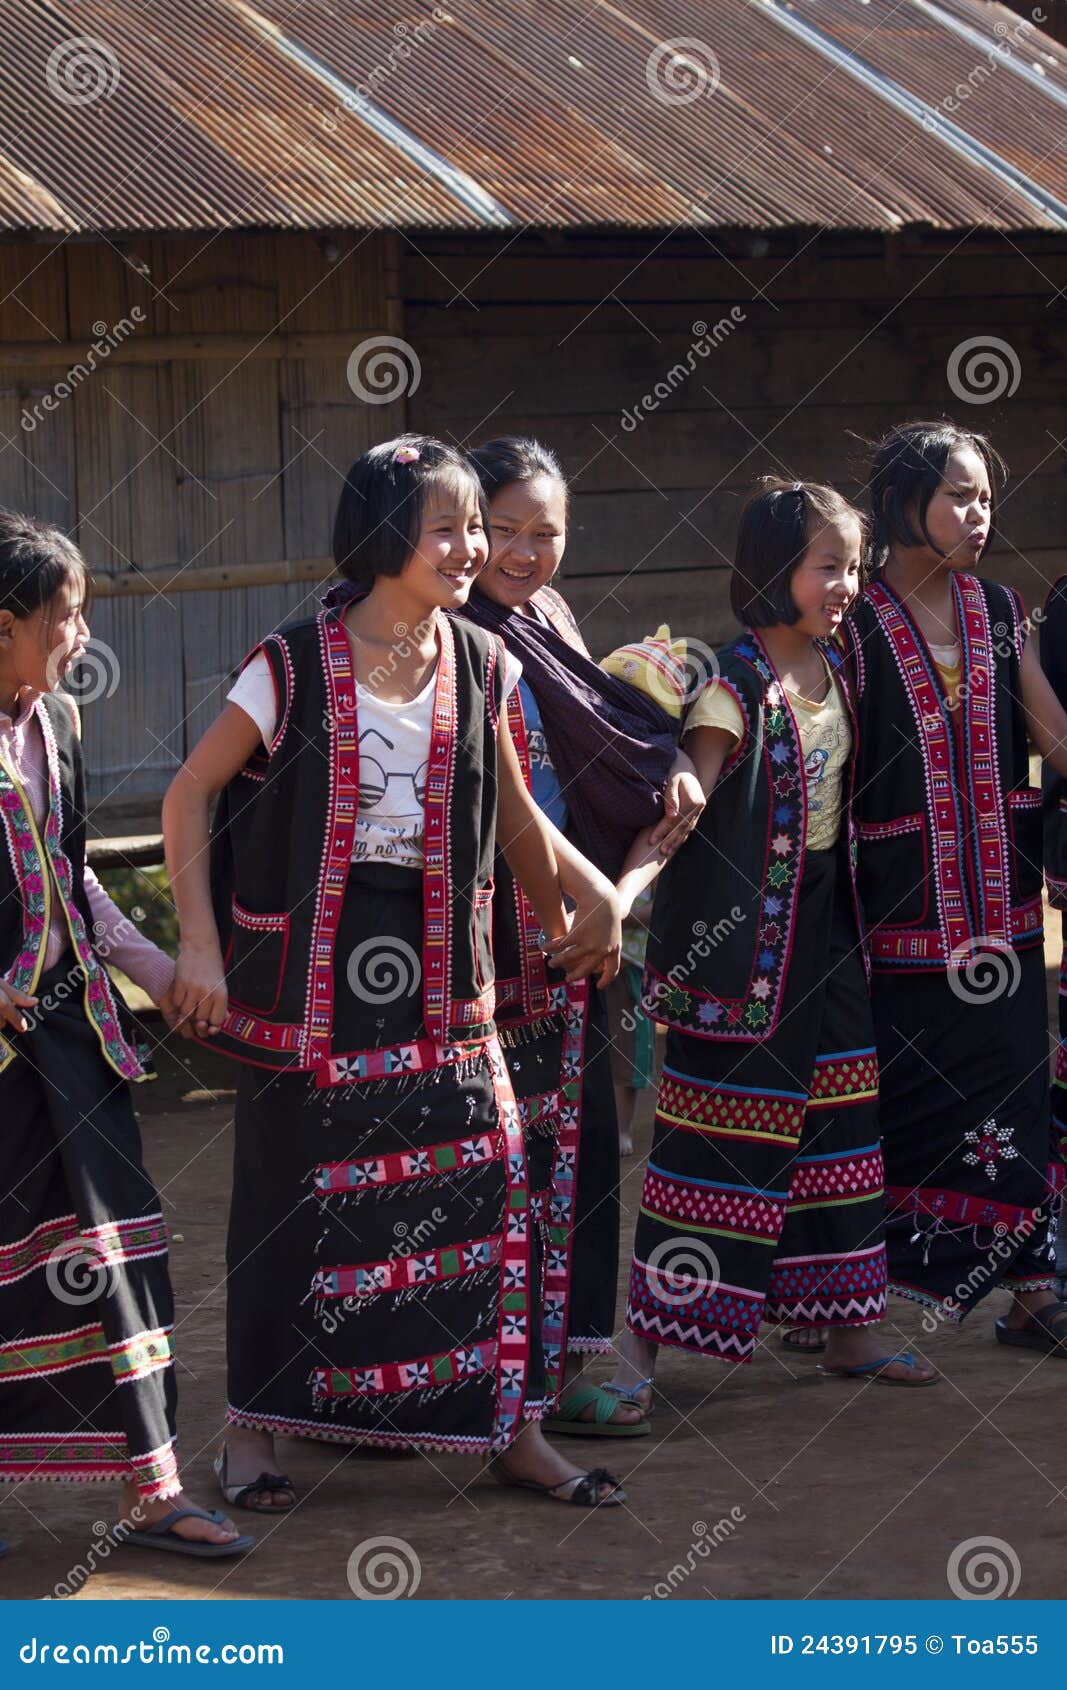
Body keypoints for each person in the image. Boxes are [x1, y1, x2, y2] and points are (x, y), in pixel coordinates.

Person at [163, 435, 629, 1510]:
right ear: (383, 537)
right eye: (449, 528)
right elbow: (191, 794)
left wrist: (589, 893)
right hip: (312, 972)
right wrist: (196, 945)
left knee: (486, 1183)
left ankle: (504, 1428)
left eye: (476, 525)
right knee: (290, 1202)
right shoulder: (288, 663)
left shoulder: (478, 661)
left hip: (440, 962)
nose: (472, 548)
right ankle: (255, 1436)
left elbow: (512, 817)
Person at [608, 478, 935, 1412]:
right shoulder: (733, 685)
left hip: (827, 937)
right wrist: (624, 891)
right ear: (771, 571)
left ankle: (849, 1331)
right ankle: (639, 1360)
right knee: (713, 1142)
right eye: (825, 567)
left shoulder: (840, 672)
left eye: (851, 566)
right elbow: (688, 803)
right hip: (740, 954)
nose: (844, 584)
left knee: (843, 1118)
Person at [0, 512, 249, 1559]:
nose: (79, 635)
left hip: (69, 1038)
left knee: (116, 1251)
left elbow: (73, 874)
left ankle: (151, 1487)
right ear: (3, 622)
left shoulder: (54, 724)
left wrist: (164, 968)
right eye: (63, 617)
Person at [463, 438, 704, 1439]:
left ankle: (563, 1365)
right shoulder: (443, 632)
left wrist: (662, 777)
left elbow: (596, 737)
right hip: (481, 930)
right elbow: (496, 794)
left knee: (585, 1146)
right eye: (501, 530)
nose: (521, 553)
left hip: (576, 922)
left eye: (543, 532)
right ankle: (466, 1377)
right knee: (480, 1155)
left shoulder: (547, 619)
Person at [838, 421, 1067, 1349]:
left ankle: (1029, 1291)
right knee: (900, 1099)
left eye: (984, 496)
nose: (978, 515)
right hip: (893, 910)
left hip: (1000, 912)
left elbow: (1051, 735)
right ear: (902, 507)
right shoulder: (851, 620)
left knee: (1014, 1089)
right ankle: (878, 1298)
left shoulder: (1001, 610)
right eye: (958, 497)